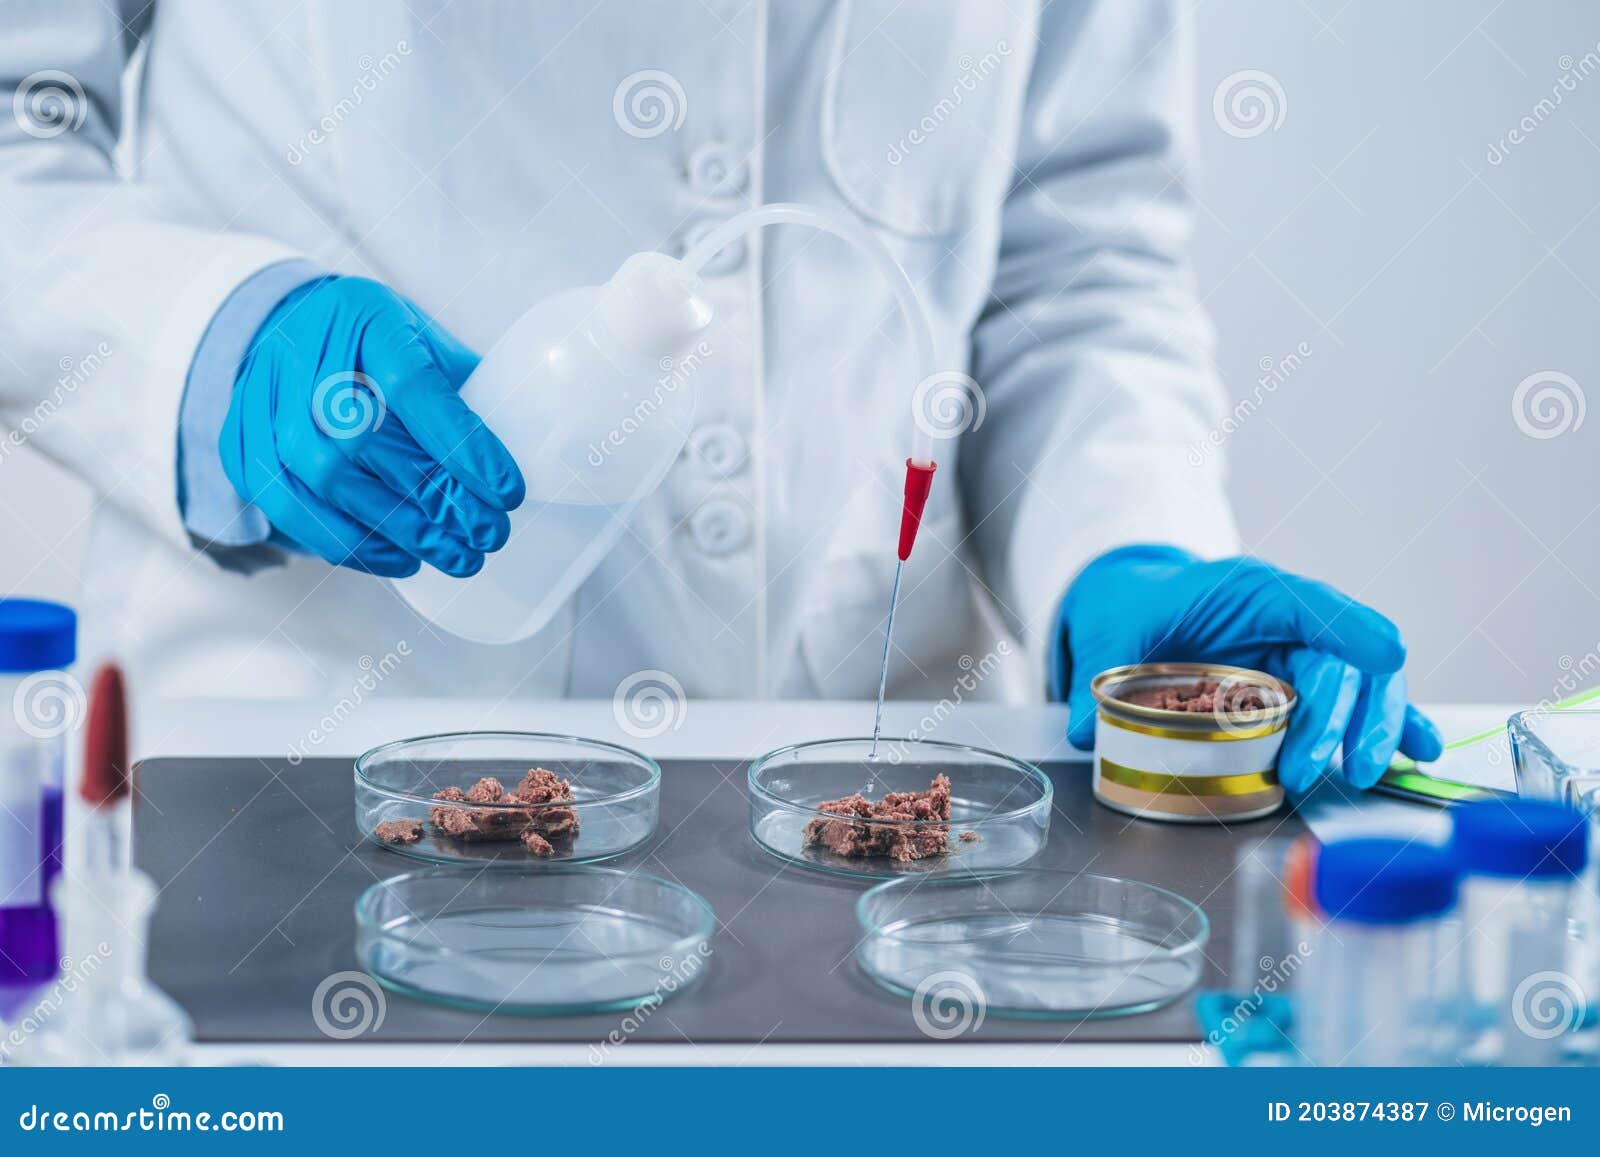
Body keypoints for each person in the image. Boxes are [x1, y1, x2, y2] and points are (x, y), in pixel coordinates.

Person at [0, 1, 1441, 789]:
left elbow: (1076, 249)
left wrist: (1120, 543)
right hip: (318, 752)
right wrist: (213, 341)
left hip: (874, 788)